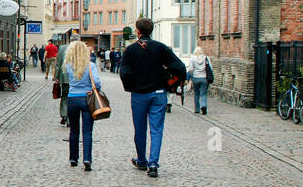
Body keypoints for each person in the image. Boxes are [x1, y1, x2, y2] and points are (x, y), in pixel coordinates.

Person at [119, 18, 187, 178]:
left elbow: (124, 73)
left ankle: (142, 160)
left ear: (137, 31)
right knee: (156, 130)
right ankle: (153, 163)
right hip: (158, 93)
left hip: (139, 95)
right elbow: (180, 68)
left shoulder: (131, 50)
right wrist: (170, 83)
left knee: (140, 129)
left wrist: (131, 86)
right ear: (151, 31)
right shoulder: (161, 48)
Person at [63, 40, 103, 171]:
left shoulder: (68, 65)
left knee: (73, 130)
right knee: (87, 131)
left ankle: (73, 158)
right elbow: (96, 83)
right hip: (87, 99)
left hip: (72, 99)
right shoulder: (90, 66)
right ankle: (87, 159)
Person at [53, 32, 75, 125]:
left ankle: (64, 115)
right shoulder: (78, 49)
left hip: (64, 78)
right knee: (73, 98)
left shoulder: (61, 48)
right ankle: (71, 116)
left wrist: (56, 77)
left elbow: (57, 65)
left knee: (65, 96)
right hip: (75, 79)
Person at [189, 46, 212, 115]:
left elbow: (190, 69)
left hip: (196, 78)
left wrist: (192, 76)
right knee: (203, 93)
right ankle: (203, 106)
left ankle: (197, 109)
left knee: (196, 93)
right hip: (204, 78)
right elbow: (210, 68)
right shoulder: (206, 58)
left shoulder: (192, 58)